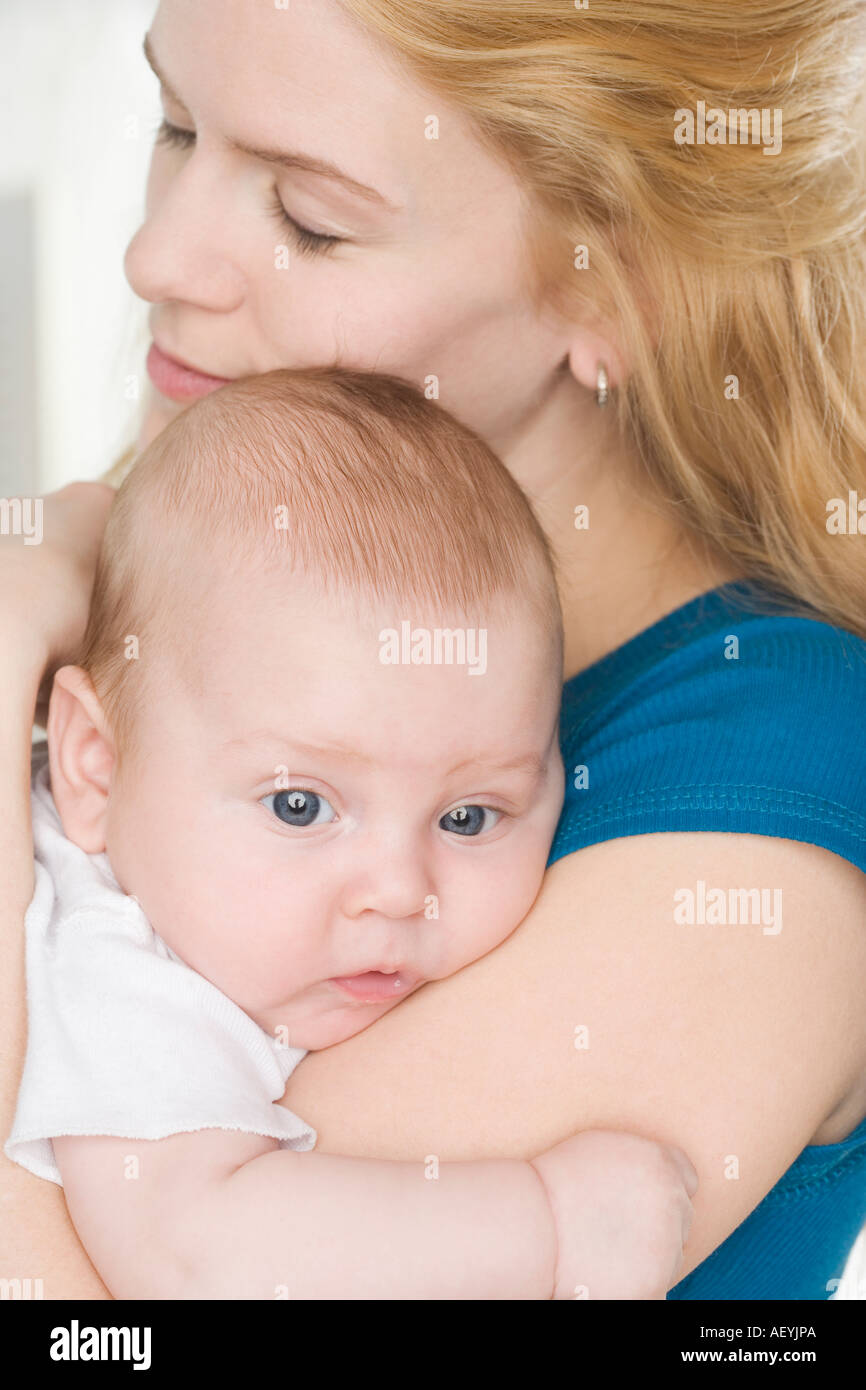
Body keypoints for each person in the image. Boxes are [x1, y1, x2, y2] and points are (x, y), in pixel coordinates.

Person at [2, 0, 866, 1300]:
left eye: (311, 218)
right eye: (177, 127)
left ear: (618, 286)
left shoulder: (772, 787)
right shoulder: (171, 599)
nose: (155, 255)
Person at [5, 367, 697, 1300]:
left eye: (467, 817)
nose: (399, 889)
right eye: (300, 806)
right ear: (95, 763)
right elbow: (190, 1254)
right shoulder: (120, 967)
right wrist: (551, 1217)